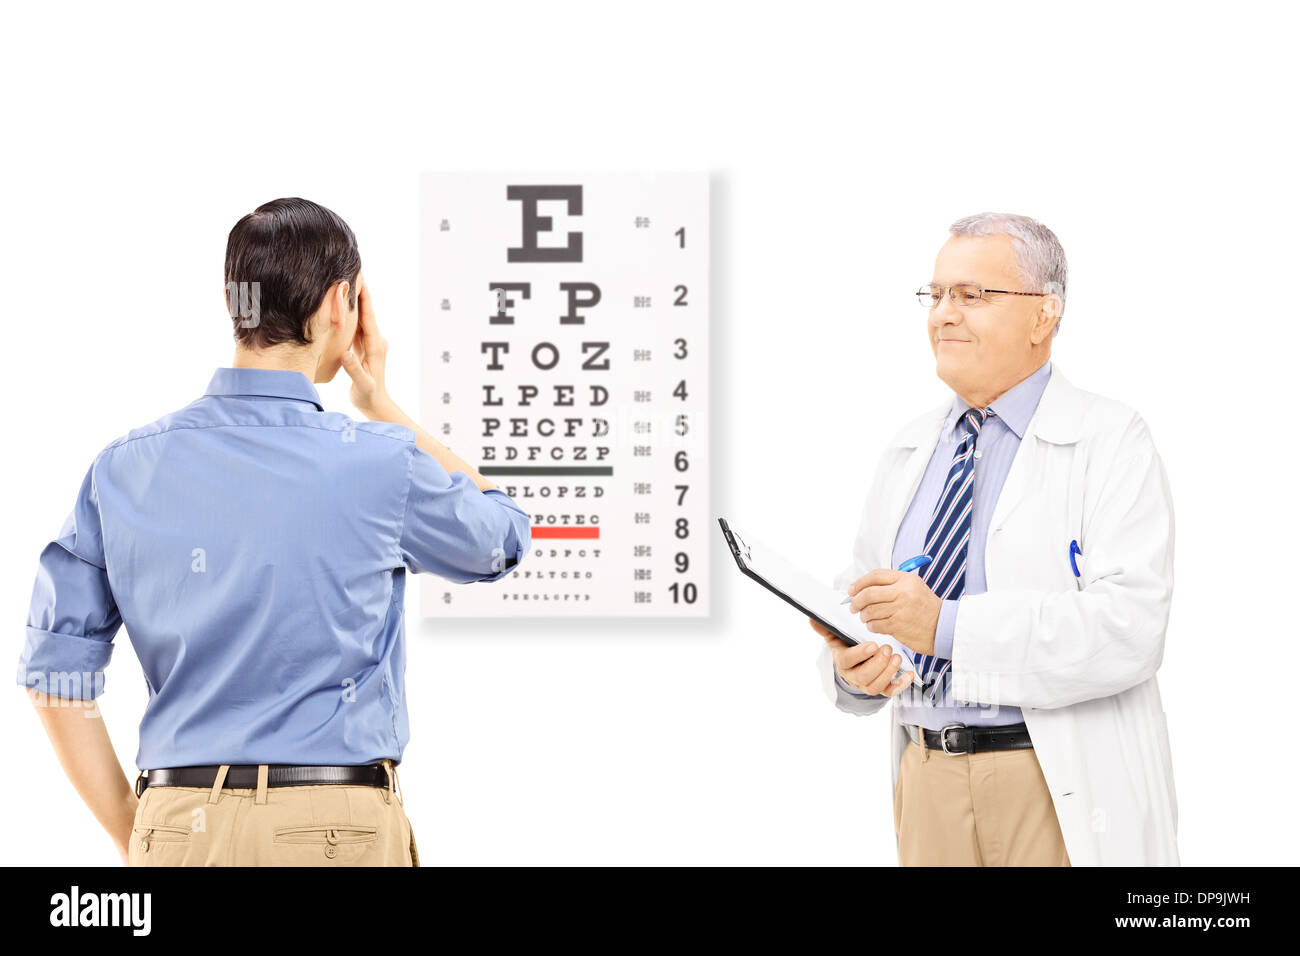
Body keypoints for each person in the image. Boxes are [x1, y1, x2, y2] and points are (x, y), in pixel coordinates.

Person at [18, 197, 531, 866]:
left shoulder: (122, 468)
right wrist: (384, 407)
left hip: (176, 823)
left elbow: (54, 674)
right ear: (339, 304)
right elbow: (502, 536)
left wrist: (142, 832)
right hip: (333, 830)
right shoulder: (378, 460)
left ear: (235, 303)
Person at [812, 212, 1178, 866]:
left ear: (1044, 315)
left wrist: (945, 628)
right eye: (937, 294)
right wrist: (857, 666)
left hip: (1046, 776)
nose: (944, 314)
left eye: (972, 295)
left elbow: (1130, 628)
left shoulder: (1111, 439)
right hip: (925, 776)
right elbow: (867, 596)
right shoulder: (909, 450)